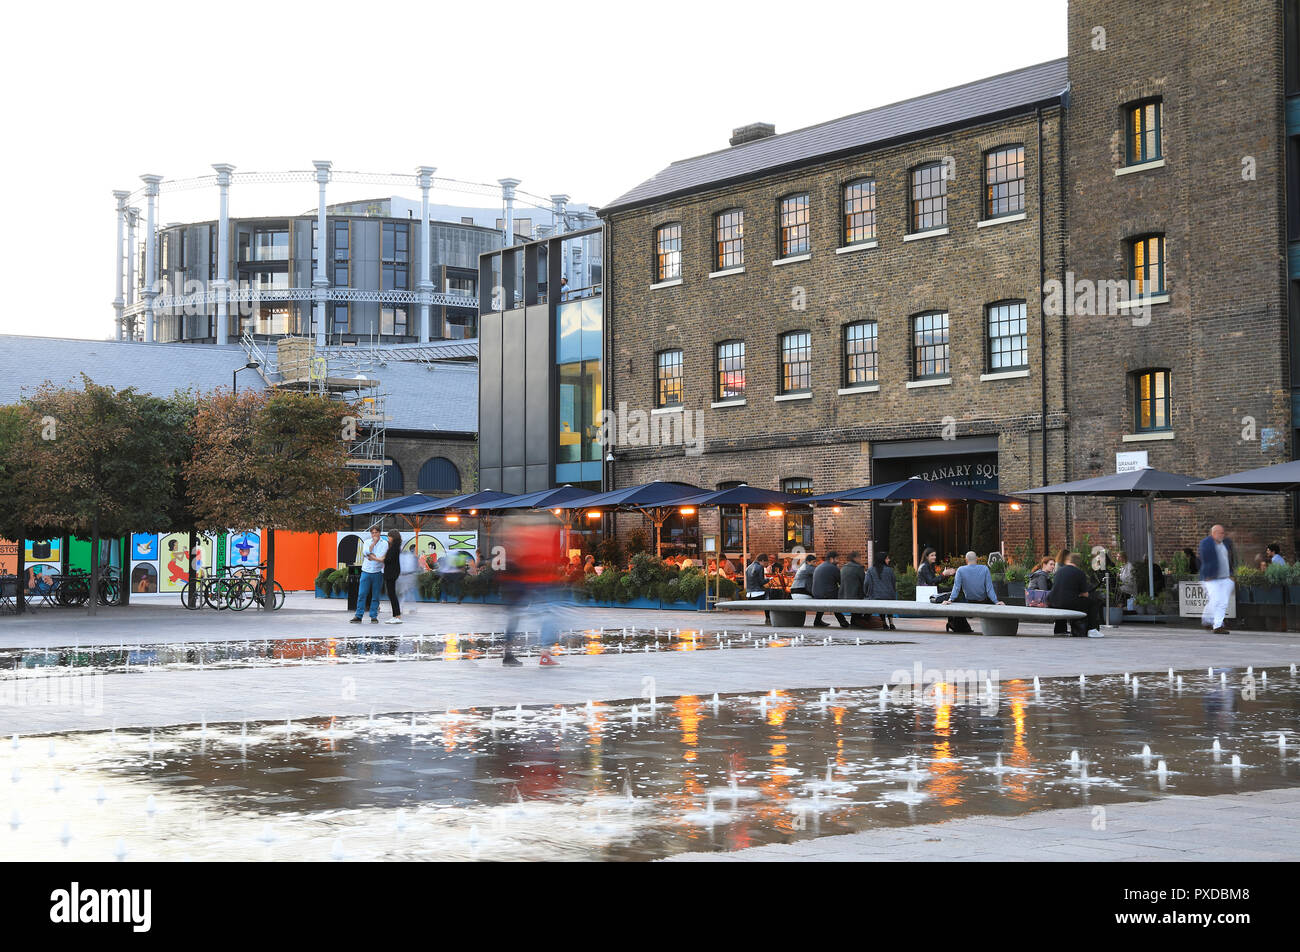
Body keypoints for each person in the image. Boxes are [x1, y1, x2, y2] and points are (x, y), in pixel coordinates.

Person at [500, 512, 564, 667]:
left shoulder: (517, 536)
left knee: (515, 618)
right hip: (535, 583)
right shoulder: (539, 537)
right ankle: (544, 654)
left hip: (518, 584)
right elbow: (546, 561)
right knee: (547, 615)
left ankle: (508, 654)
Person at [1047, 552, 1104, 637]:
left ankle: (1060, 630)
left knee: (1063, 601)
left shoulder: (1059, 571)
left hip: (1053, 602)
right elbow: (1085, 594)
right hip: (1068, 603)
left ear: (1068, 560)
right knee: (1093, 602)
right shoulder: (1079, 573)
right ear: (1078, 562)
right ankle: (1092, 629)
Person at [948, 551, 1004, 633]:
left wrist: (950, 600)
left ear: (966, 560)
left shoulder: (960, 570)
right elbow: (989, 589)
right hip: (983, 601)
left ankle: (963, 628)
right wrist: (996, 601)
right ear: (976, 559)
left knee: (956, 604)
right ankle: (997, 629)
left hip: (968, 601)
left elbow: (956, 588)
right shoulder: (985, 569)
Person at [1198, 524, 1236, 634]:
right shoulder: (1206, 543)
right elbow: (1206, 559)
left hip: (1224, 577)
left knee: (1223, 602)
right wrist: (1208, 575)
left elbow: (1228, 559)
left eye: (1223, 533)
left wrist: (1231, 574)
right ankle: (1207, 619)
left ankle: (1217, 625)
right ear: (1213, 533)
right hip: (1211, 578)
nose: (1222, 535)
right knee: (1215, 600)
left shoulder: (1225, 543)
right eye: (1220, 533)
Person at [351, 525, 388, 624]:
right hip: (366, 571)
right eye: (372, 533)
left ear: (379, 533)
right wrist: (373, 544)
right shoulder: (367, 542)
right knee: (362, 594)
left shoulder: (385, 544)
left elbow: (381, 556)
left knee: (375, 595)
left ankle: (373, 616)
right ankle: (358, 615)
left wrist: (373, 556)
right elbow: (366, 552)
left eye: (376, 532)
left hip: (377, 572)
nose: (374, 534)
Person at [812, 551, 850, 628]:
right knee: (835, 600)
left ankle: (817, 620)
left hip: (816, 593)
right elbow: (841, 582)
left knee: (826, 598)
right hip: (827, 594)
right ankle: (843, 621)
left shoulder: (819, 566)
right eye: (837, 559)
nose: (838, 561)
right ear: (831, 559)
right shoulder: (833, 568)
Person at [867, 551, 898, 630]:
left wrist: (867, 593)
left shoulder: (870, 570)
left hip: (876, 596)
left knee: (881, 604)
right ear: (882, 560)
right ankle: (891, 622)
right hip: (889, 595)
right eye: (887, 558)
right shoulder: (890, 570)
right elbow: (893, 582)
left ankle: (884, 622)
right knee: (889, 605)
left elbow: (867, 583)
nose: (889, 560)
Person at [839, 551, 868, 628]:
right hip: (855, 595)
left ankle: (854, 621)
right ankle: (856, 621)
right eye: (859, 558)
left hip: (843, 595)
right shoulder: (859, 568)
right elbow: (864, 582)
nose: (860, 559)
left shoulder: (843, 568)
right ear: (855, 558)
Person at [382, 529, 403, 623]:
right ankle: (395, 615)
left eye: (389, 536)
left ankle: (397, 615)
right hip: (392, 572)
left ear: (393, 537)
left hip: (391, 572)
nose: (388, 538)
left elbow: (388, 560)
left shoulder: (394, 547)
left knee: (392, 594)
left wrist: (376, 558)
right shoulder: (394, 546)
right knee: (391, 594)